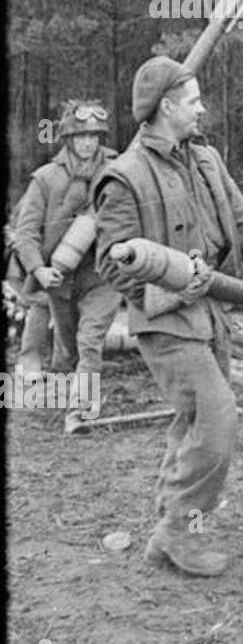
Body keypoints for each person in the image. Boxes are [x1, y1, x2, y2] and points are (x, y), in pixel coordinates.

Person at [94, 58, 243, 577]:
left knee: (194, 421)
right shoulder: (124, 176)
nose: (203, 107)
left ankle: (170, 526)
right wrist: (167, 291)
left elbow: (242, 219)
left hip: (211, 313)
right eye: (194, 99)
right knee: (219, 419)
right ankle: (178, 531)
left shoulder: (203, 159)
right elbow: (111, 263)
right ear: (166, 107)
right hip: (165, 322)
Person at [11, 99, 122, 427]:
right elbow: (25, 233)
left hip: (102, 274)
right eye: (80, 136)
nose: (88, 142)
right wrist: (38, 269)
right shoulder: (45, 179)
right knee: (70, 349)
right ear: (69, 139)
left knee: (90, 340)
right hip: (59, 279)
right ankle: (58, 389)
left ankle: (81, 411)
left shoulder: (119, 171)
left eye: (94, 136)